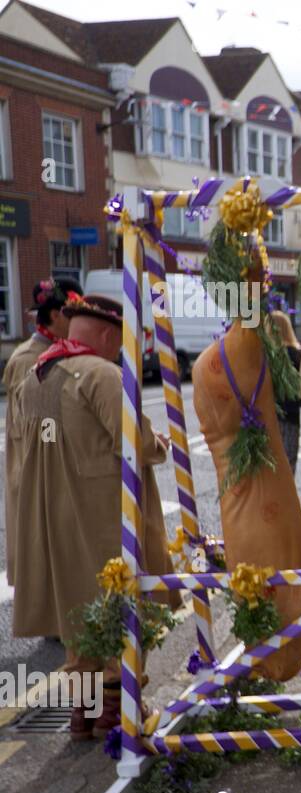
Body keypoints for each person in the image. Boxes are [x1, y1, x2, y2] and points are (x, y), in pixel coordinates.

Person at [11, 294, 176, 737]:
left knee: (75, 611)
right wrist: (159, 443)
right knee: (117, 604)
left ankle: (83, 713)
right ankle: (114, 710)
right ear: (106, 335)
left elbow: (37, 444)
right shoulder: (102, 375)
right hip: (103, 516)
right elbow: (137, 444)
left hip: (56, 514)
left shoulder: (36, 374)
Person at [5, 279, 80, 600]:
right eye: (72, 313)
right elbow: (37, 424)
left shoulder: (56, 352)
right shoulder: (29, 359)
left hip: (53, 464)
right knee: (46, 546)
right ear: (54, 315)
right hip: (37, 467)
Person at [269, 310, 301, 472]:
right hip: (291, 415)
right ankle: (289, 497)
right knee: (289, 461)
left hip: (269, 415)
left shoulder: (265, 355)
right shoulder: (296, 354)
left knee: (272, 463)